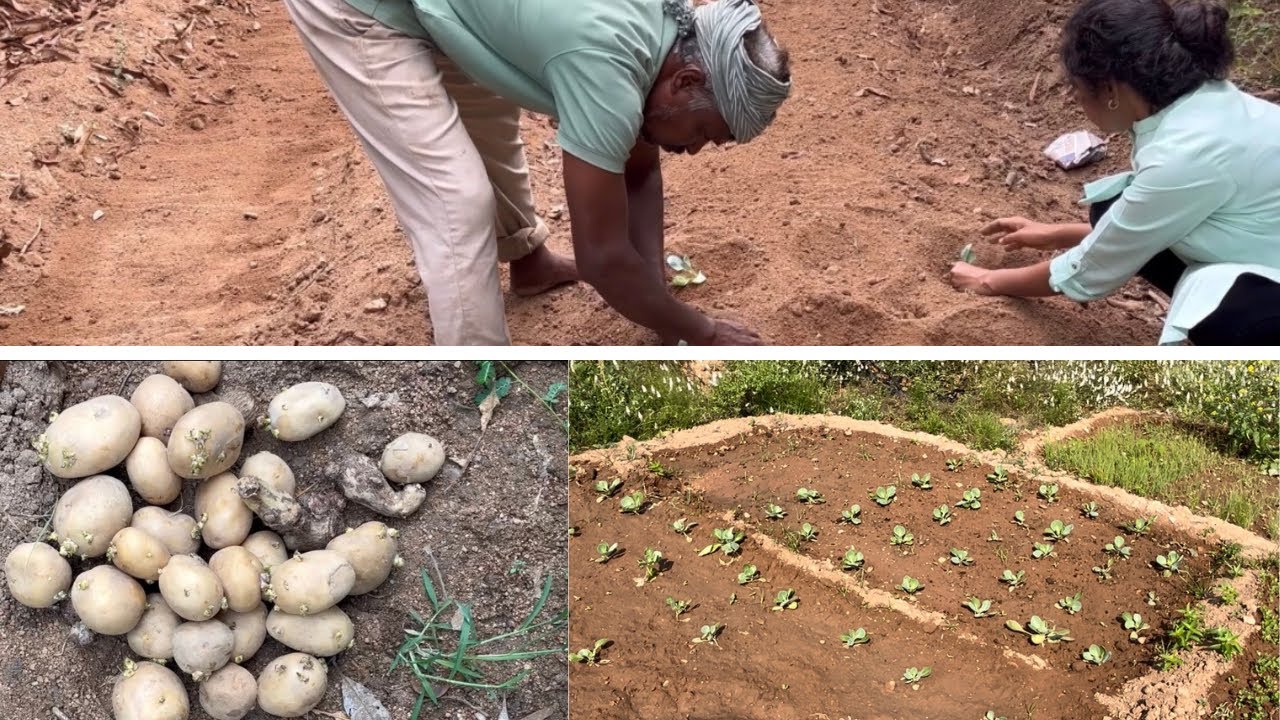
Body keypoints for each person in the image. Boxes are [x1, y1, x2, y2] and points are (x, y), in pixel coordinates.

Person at [282, 0, 792, 345]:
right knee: (454, 204)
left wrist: (653, 281)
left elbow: (638, 168)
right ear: (687, 79)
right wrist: (700, 332)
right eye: (704, 131)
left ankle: (527, 258)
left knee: (489, 117)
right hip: (361, 10)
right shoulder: (606, 65)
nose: (696, 150)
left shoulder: (667, 33)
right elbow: (604, 259)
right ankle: (477, 370)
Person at [949, 0, 1280, 345]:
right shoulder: (1207, 103)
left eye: (1077, 90)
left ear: (1110, 89)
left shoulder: (1184, 156)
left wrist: (988, 280)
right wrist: (1056, 234)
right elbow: (1145, 224)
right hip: (1263, 246)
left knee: (1225, 316)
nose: (1078, 102)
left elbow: (1092, 270)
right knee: (1108, 207)